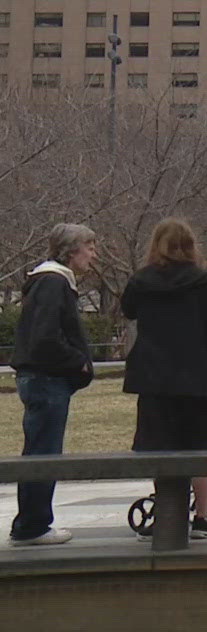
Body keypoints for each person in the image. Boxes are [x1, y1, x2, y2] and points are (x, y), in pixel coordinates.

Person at [121, 217, 207, 540]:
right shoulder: (205, 281)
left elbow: (128, 311)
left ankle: (168, 514)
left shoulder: (141, 281)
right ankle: (202, 515)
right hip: (195, 374)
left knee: (160, 444)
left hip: (153, 376)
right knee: (199, 444)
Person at [9, 224, 98, 546]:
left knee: (38, 449)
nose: (93, 254)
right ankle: (33, 526)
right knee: (43, 453)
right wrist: (78, 361)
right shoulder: (53, 282)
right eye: (89, 247)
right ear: (72, 250)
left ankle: (31, 523)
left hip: (42, 379)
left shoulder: (47, 282)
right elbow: (45, 337)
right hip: (47, 380)